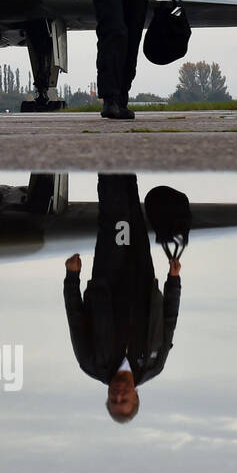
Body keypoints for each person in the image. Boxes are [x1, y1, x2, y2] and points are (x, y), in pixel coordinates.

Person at [63, 174, 182, 422]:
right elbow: (169, 320)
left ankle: (108, 160)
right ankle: (123, 157)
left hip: (109, 275)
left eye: (113, 400)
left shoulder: (91, 364)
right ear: (136, 397)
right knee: (132, 209)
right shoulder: (154, 365)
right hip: (142, 276)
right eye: (124, 400)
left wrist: (71, 278)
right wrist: (174, 280)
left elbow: (75, 318)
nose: (118, 396)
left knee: (116, 216)